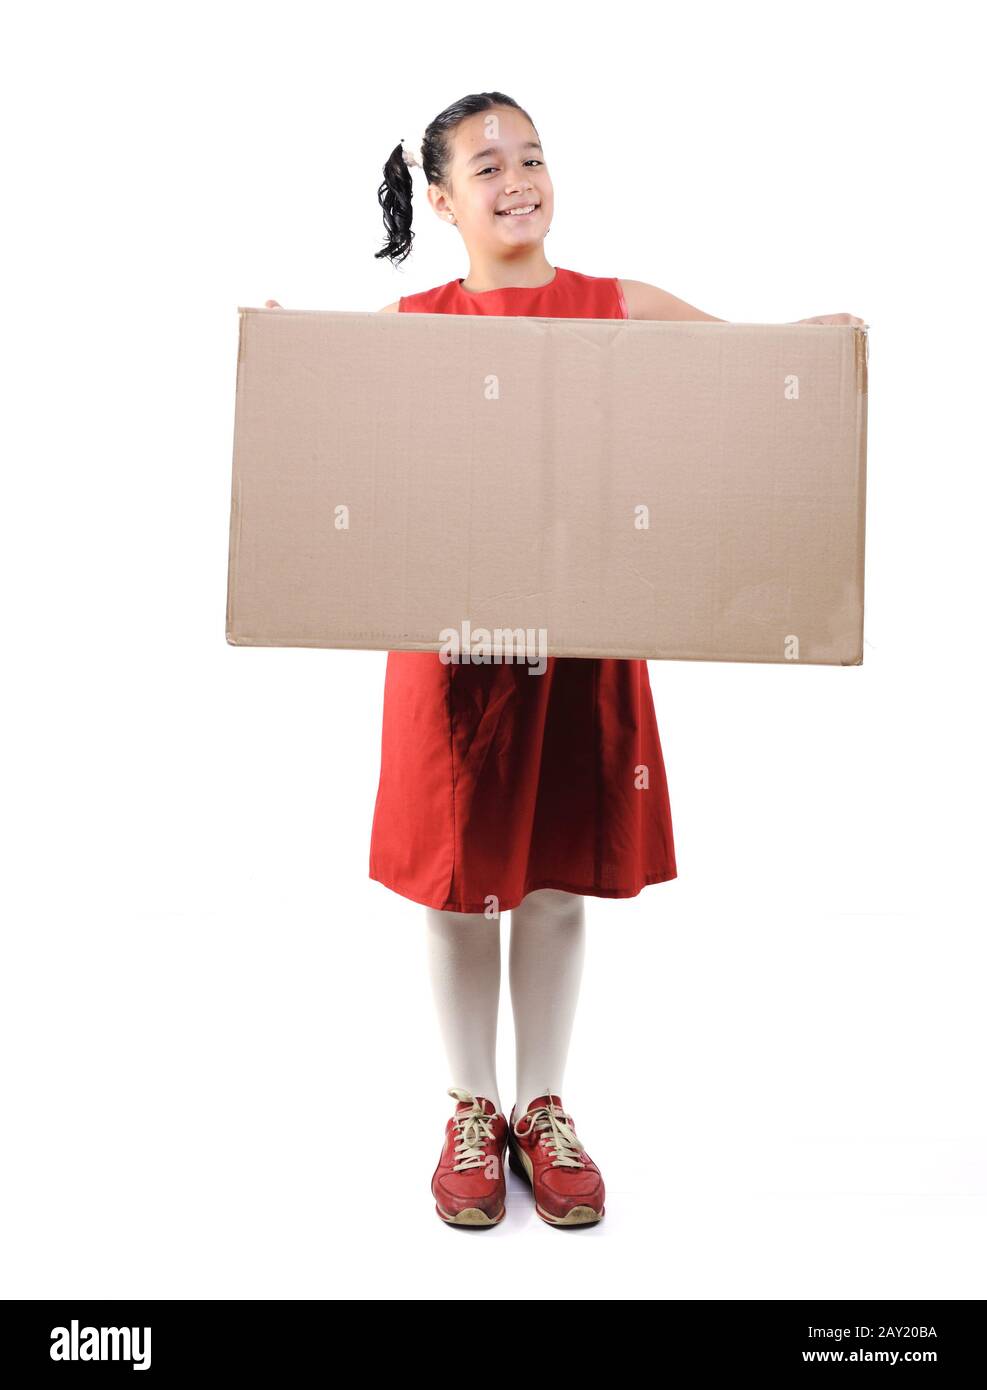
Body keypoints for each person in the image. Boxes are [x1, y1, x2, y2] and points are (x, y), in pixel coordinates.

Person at [267, 90, 861, 1229]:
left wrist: (810, 342)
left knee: (547, 878)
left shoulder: (617, 306)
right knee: (458, 879)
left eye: (532, 157)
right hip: (454, 655)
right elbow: (333, 422)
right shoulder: (417, 325)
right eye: (487, 168)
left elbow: (747, 380)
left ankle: (542, 1108)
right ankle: (470, 1112)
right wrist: (291, 357)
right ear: (440, 200)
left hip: (580, 642)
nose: (518, 179)